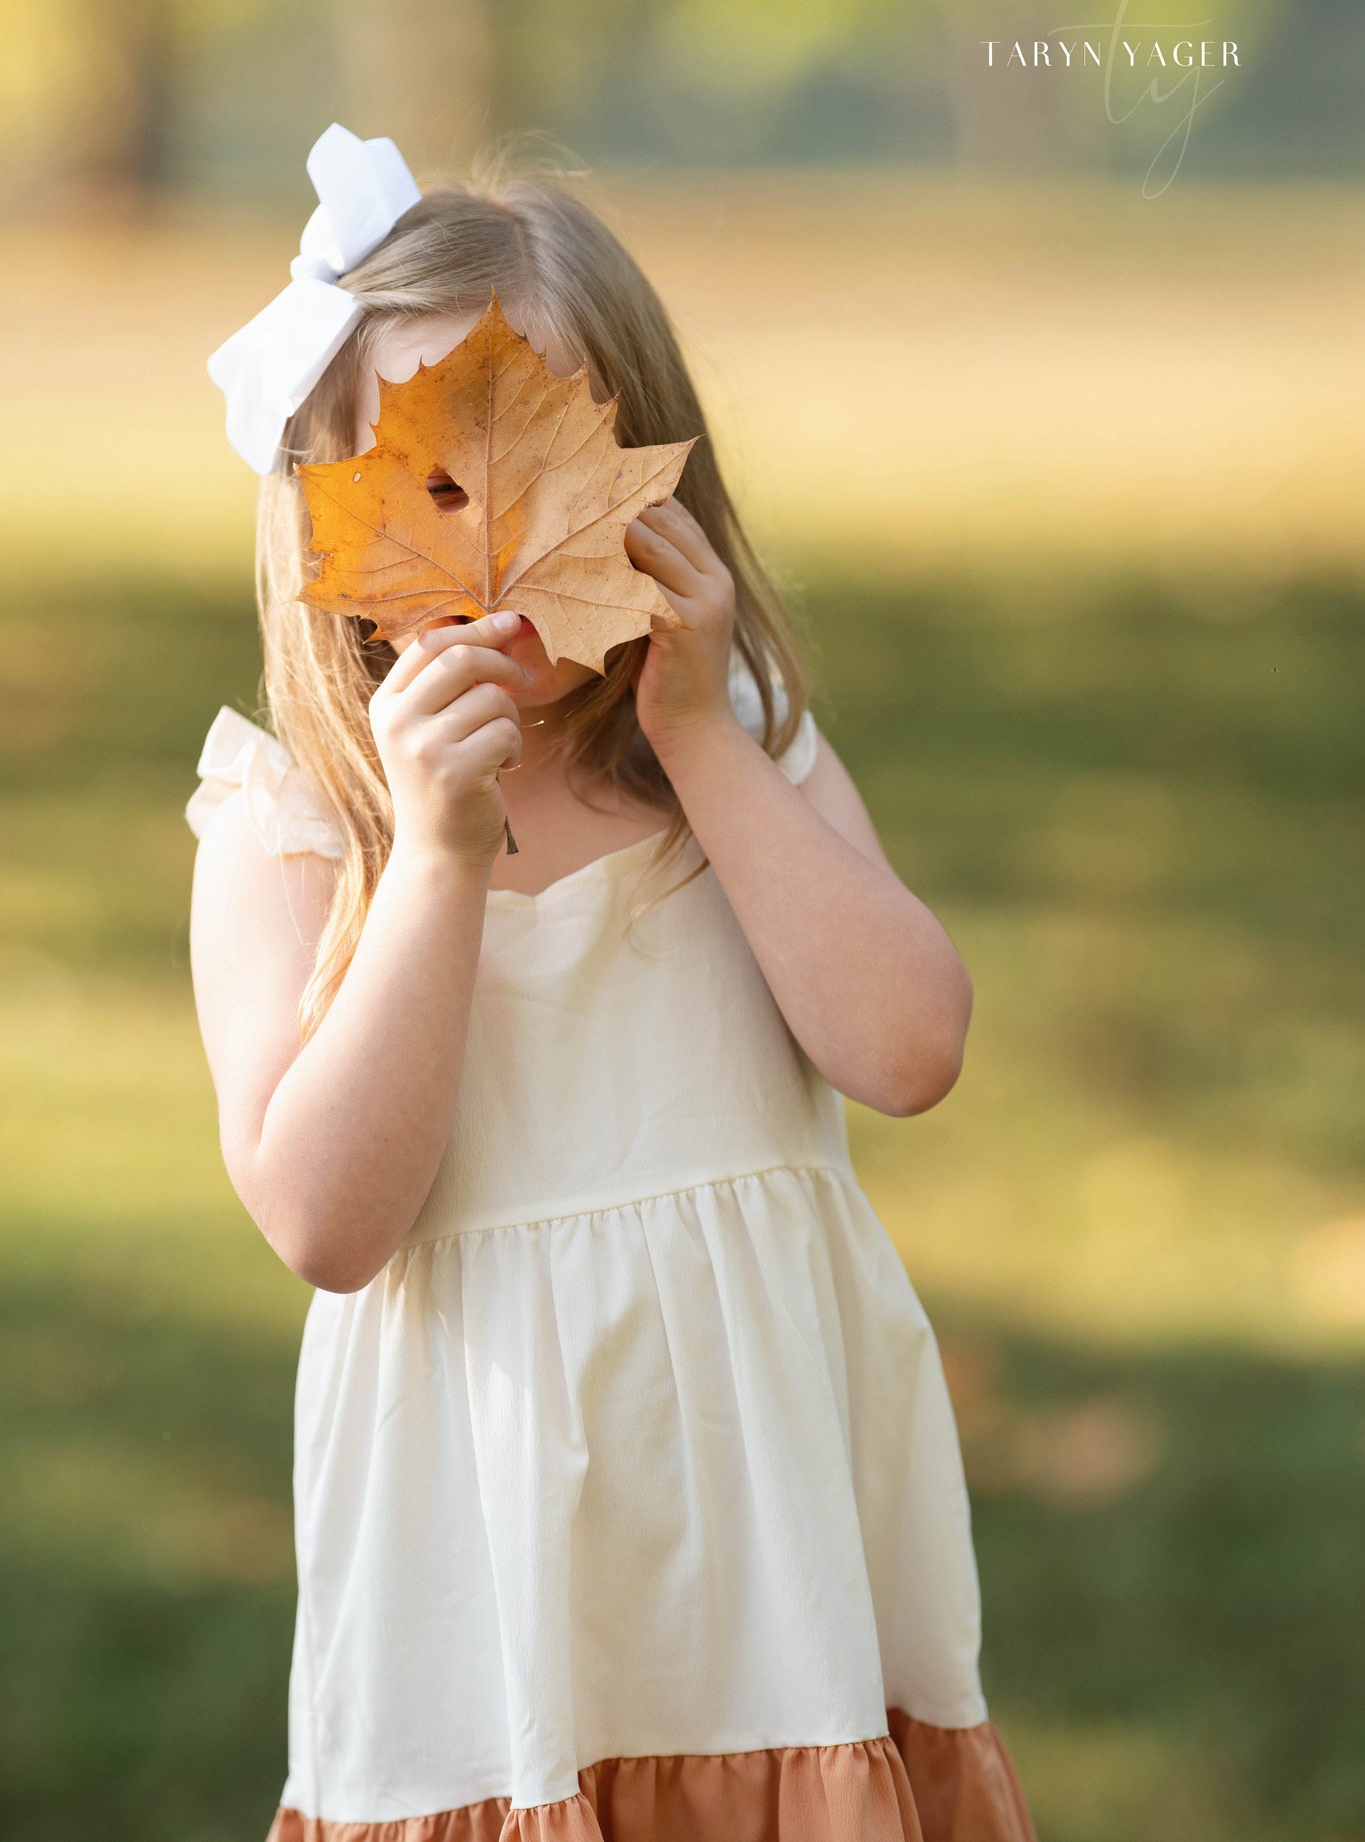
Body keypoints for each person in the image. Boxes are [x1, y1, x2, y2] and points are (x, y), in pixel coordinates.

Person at [187, 124, 1035, 1842]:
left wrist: (703, 740)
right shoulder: (301, 823)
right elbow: (327, 1224)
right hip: (488, 1591)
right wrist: (436, 859)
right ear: (331, 518)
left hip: (768, 1572)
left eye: (557, 482)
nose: (497, 552)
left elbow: (907, 1049)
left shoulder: (737, 757)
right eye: (434, 489)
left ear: (657, 487)